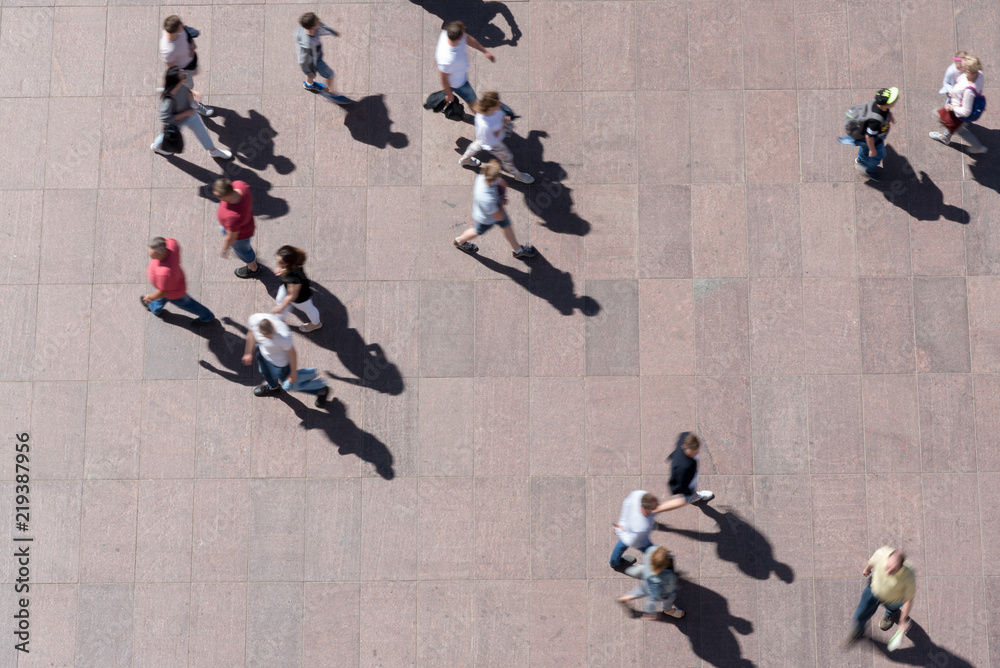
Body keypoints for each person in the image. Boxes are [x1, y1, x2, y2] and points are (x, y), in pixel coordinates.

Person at [452, 159, 536, 259]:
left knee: (507, 226)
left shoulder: (482, 177)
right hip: (487, 218)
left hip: (490, 209)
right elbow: (499, 216)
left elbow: (502, 182)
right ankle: (459, 241)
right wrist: (501, 202)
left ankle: (518, 250)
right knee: (477, 230)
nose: (500, 176)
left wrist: (503, 194)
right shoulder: (488, 199)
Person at [242, 313, 330, 407]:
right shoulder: (255, 320)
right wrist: (248, 353)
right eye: (266, 336)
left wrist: (293, 374)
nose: (270, 337)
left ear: (272, 326)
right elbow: (251, 333)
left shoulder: (283, 335)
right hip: (264, 355)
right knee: (266, 373)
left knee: (294, 385)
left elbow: (293, 354)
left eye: (271, 334)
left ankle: (321, 390)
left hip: (281, 365)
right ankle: (274, 388)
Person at [151, 67, 232, 159]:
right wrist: (185, 114)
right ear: (176, 81)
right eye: (182, 76)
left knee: (202, 133)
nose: (185, 75)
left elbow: (185, 89)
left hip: (190, 115)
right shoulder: (168, 102)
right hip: (177, 123)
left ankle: (213, 151)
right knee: (167, 136)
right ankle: (156, 146)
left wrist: (194, 93)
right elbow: (164, 118)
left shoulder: (180, 85)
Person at [843, 546, 916, 646]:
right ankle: (859, 630)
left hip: (893, 600)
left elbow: (909, 599)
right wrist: (867, 569)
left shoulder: (909, 575)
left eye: (893, 570)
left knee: (892, 608)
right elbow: (872, 561)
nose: (888, 572)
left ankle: (890, 614)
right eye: (887, 567)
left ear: (901, 567)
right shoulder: (881, 554)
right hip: (873, 591)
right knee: (860, 613)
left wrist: (902, 620)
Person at [458, 91, 534, 183]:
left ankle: (465, 159)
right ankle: (518, 175)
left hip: (483, 139)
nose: (500, 104)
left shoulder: (484, 112)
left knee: (476, 145)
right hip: (493, 144)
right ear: (491, 108)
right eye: (497, 103)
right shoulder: (486, 125)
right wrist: (503, 123)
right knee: (507, 159)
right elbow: (492, 138)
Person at [141, 237, 215, 325]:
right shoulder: (172, 244)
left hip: (174, 294)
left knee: (189, 305)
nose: (151, 257)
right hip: (173, 283)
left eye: (155, 255)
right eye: (150, 254)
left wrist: (150, 298)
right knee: (160, 299)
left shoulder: (165, 273)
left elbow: (162, 293)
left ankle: (207, 317)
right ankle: (154, 308)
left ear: (164, 253)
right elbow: (170, 240)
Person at [930, 54, 987, 153]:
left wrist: (952, 107)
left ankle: (978, 147)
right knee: (949, 122)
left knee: (960, 130)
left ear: (968, 71)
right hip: (964, 103)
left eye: (963, 65)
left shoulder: (969, 90)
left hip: (958, 112)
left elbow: (965, 112)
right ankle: (946, 137)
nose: (960, 65)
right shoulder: (979, 73)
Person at [838, 87, 898, 181]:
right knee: (880, 154)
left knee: (865, 147)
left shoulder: (879, 105)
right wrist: (872, 150)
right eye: (894, 100)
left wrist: (890, 116)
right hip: (874, 139)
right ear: (886, 104)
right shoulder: (875, 121)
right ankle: (867, 170)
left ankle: (860, 160)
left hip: (872, 135)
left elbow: (885, 111)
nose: (896, 99)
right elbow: (869, 137)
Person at [159, 15, 212, 116]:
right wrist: (190, 89)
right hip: (184, 71)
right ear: (175, 31)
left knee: (195, 73)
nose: (183, 25)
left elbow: (186, 32)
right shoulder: (167, 50)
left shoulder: (178, 29)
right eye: (180, 25)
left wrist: (191, 45)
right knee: (188, 90)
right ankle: (195, 106)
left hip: (191, 62)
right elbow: (173, 70)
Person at [650, 432, 716, 513]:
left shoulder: (685, 436)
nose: (697, 453)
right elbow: (681, 482)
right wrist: (687, 492)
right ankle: (693, 497)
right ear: (686, 448)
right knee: (690, 492)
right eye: (694, 452)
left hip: (688, 473)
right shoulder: (683, 465)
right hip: (687, 482)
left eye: (697, 451)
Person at [436, 20, 495, 105]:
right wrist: (448, 93)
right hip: (459, 82)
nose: (465, 28)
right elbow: (444, 77)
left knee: (448, 95)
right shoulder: (446, 59)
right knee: (473, 101)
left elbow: (469, 39)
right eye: (463, 29)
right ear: (459, 38)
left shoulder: (449, 34)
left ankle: (446, 101)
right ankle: (479, 116)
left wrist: (485, 51)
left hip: (457, 74)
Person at [295, 13, 350, 104]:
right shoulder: (308, 44)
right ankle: (330, 94)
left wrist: (332, 32)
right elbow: (305, 61)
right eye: (317, 22)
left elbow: (321, 27)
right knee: (330, 75)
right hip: (314, 61)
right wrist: (310, 71)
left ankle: (309, 85)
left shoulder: (304, 27)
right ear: (312, 27)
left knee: (310, 75)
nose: (319, 22)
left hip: (314, 56)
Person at [618, 546, 684, 620]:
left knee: (642, 590)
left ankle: (627, 597)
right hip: (663, 593)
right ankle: (668, 610)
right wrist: (651, 612)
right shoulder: (667, 576)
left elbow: (635, 571)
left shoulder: (648, 562)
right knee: (668, 600)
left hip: (647, 584)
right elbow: (653, 597)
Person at [213, 178, 260, 279]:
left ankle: (253, 268)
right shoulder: (240, 185)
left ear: (226, 196)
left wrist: (224, 249)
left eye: (218, 196)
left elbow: (231, 237)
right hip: (246, 225)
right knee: (245, 249)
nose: (216, 197)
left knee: (244, 252)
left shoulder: (233, 217)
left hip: (240, 237)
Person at [271, 245, 322, 332]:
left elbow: (292, 296)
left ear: (287, 264)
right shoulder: (295, 259)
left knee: (309, 309)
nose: (277, 263)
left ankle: (316, 324)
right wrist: (282, 268)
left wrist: (281, 307)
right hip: (288, 287)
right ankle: (280, 319)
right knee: (280, 299)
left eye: (280, 262)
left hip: (301, 298)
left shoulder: (293, 278)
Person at [609, 490, 660, 570]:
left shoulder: (639, 494)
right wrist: (621, 530)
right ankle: (614, 562)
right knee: (650, 550)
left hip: (630, 531)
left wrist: (622, 523)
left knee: (622, 543)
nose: (658, 505)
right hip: (638, 539)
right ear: (646, 509)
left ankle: (614, 562)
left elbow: (627, 503)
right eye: (655, 505)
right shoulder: (642, 526)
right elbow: (633, 542)